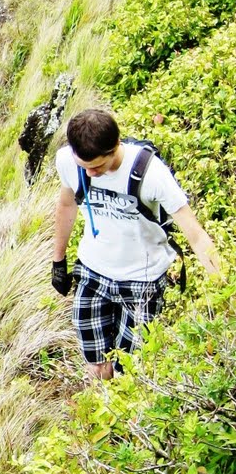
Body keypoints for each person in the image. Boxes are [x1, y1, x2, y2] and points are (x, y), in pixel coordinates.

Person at [51, 108, 221, 378]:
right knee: (96, 365)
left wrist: (222, 287)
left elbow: (195, 233)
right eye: (85, 167)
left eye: (97, 166)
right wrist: (58, 260)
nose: (92, 174)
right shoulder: (67, 161)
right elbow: (66, 204)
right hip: (93, 272)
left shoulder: (151, 173)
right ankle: (102, 414)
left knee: (128, 373)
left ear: (116, 146)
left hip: (142, 281)